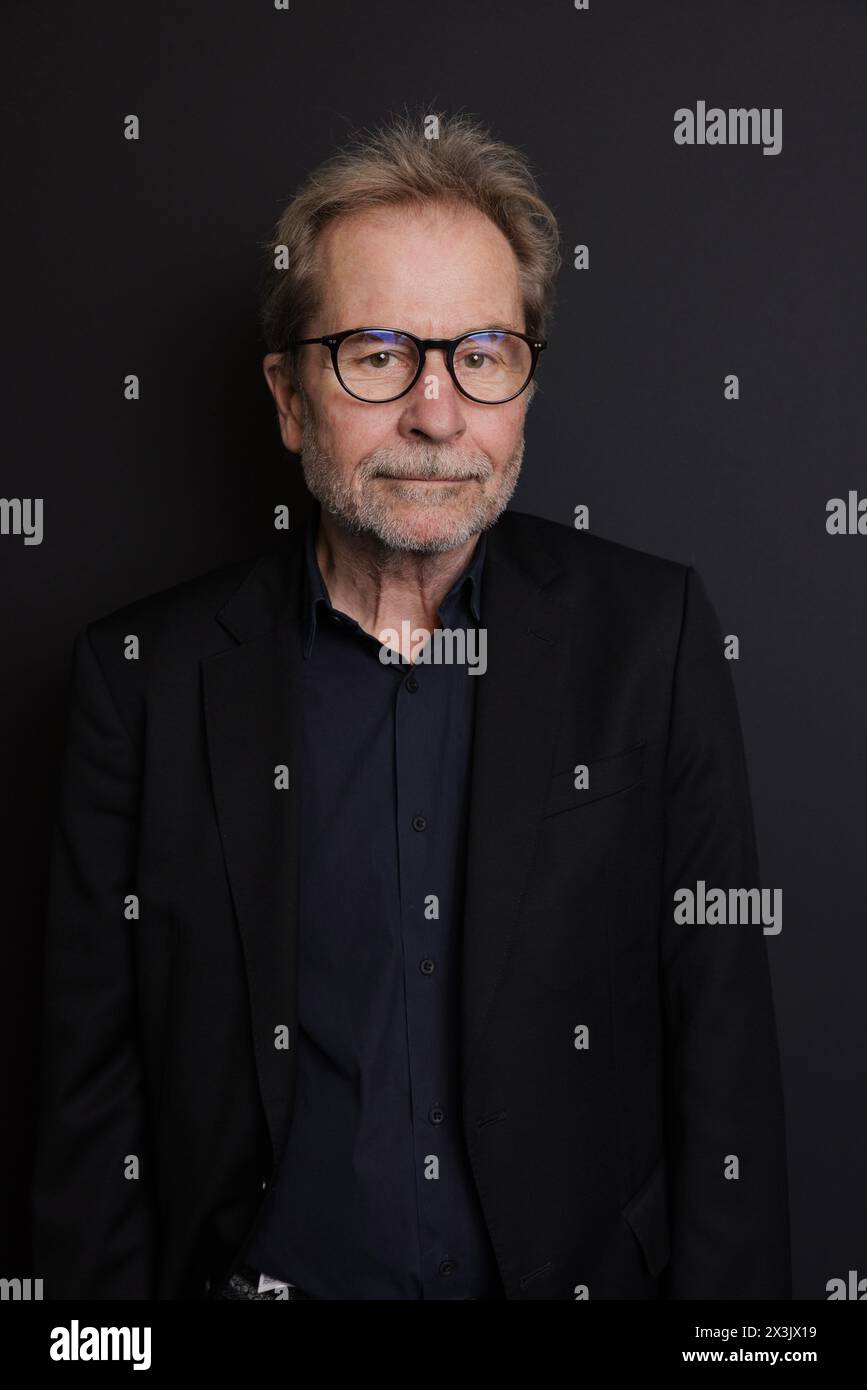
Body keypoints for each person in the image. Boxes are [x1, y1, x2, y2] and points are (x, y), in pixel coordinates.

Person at [31, 109, 790, 1300]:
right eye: (380, 353)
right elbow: (87, 1109)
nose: (438, 414)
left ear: (525, 386)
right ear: (289, 397)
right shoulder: (141, 681)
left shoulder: (656, 638)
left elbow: (728, 1066)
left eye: (482, 354)